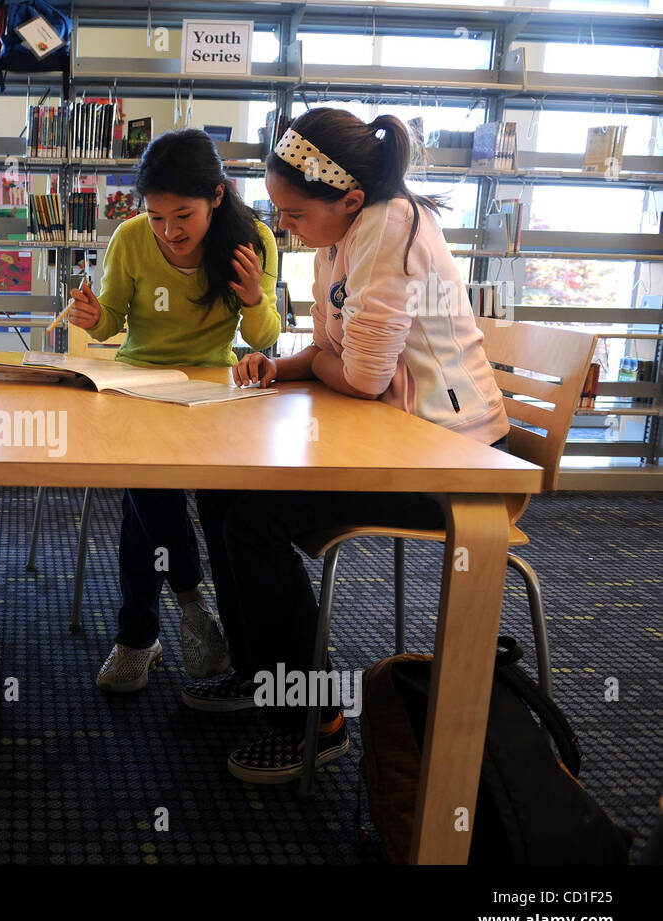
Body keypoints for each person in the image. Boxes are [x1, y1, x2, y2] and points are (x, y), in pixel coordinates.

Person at [182, 107, 511, 782]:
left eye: (295, 214)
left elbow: (360, 377)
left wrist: (329, 365)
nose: (285, 228)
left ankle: (315, 718)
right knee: (220, 490)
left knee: (253, 520)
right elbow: (338, 352)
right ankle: (260, 675)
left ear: (350, 199)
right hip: (400, 440)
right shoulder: (344, 233)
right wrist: (280, 364)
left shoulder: (390, 230)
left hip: (454, 466)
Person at [65, 128, 282, 693]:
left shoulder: (252, 241)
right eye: (156, 216)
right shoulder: (132, 238)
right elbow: (113, 320)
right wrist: (93, 319)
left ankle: (142, 634)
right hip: (138, 382)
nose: (168, 231)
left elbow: (266, 338)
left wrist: (256, 298)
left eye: (181, 215)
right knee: (149, 487)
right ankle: (189, 608)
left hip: (215, 386)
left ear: (217, 194)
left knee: (198, 502)